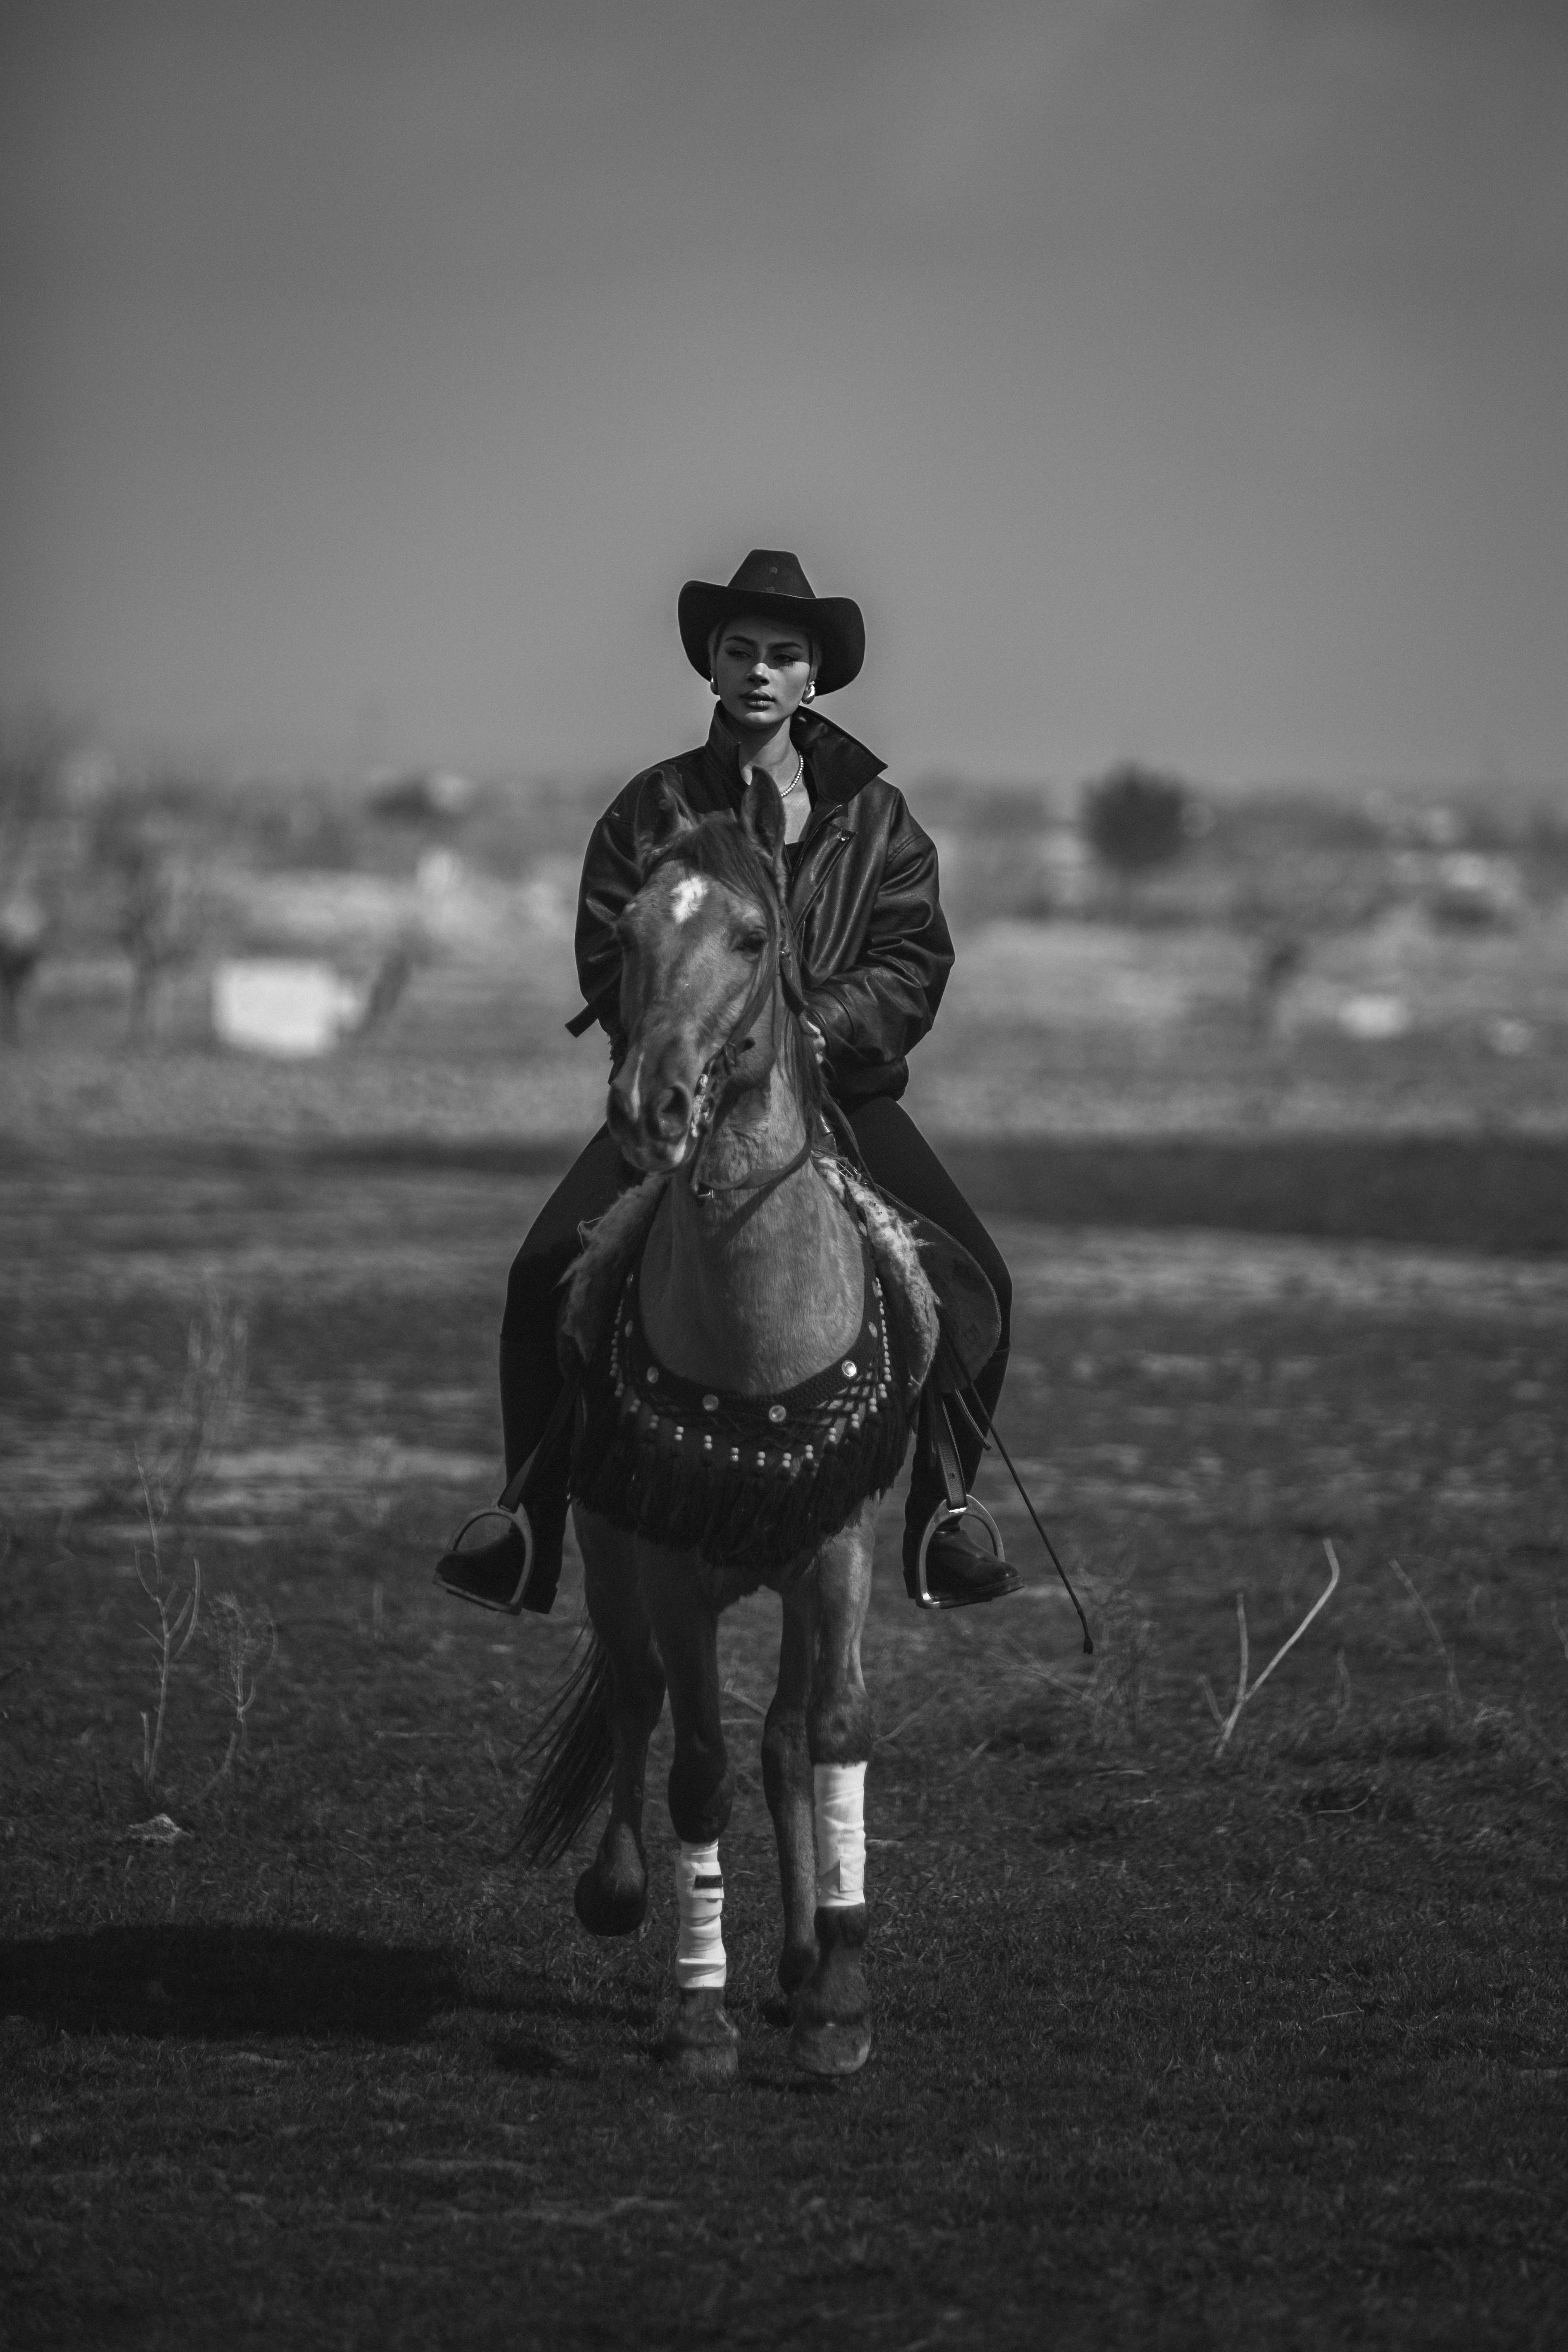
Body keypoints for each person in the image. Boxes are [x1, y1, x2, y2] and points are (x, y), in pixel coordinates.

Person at [499, 548, 1017, 1608]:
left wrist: (815, 1032)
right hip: (683, 1089)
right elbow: (613, 953)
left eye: (784, 655)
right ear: (712, 664)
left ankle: (944, 1513)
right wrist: (680, 1041)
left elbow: (913, 961)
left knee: (981, 1282)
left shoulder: (878, 820)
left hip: (841, 1092)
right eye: (741, 651)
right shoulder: (651, 811)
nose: (761, 672)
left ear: (813, 678)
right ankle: (525, 1522)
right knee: (541, 1269)